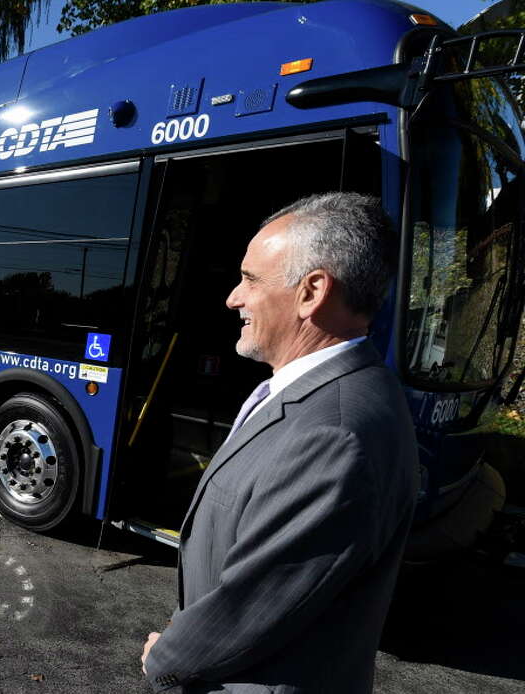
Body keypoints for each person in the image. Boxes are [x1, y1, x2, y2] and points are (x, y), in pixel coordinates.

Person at [140, 192, 419, 692]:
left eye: (249, 279)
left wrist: (166, 658)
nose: (233, 297)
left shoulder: (333, 433)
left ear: (311, 291)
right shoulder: (327, 393)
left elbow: (253, 603)